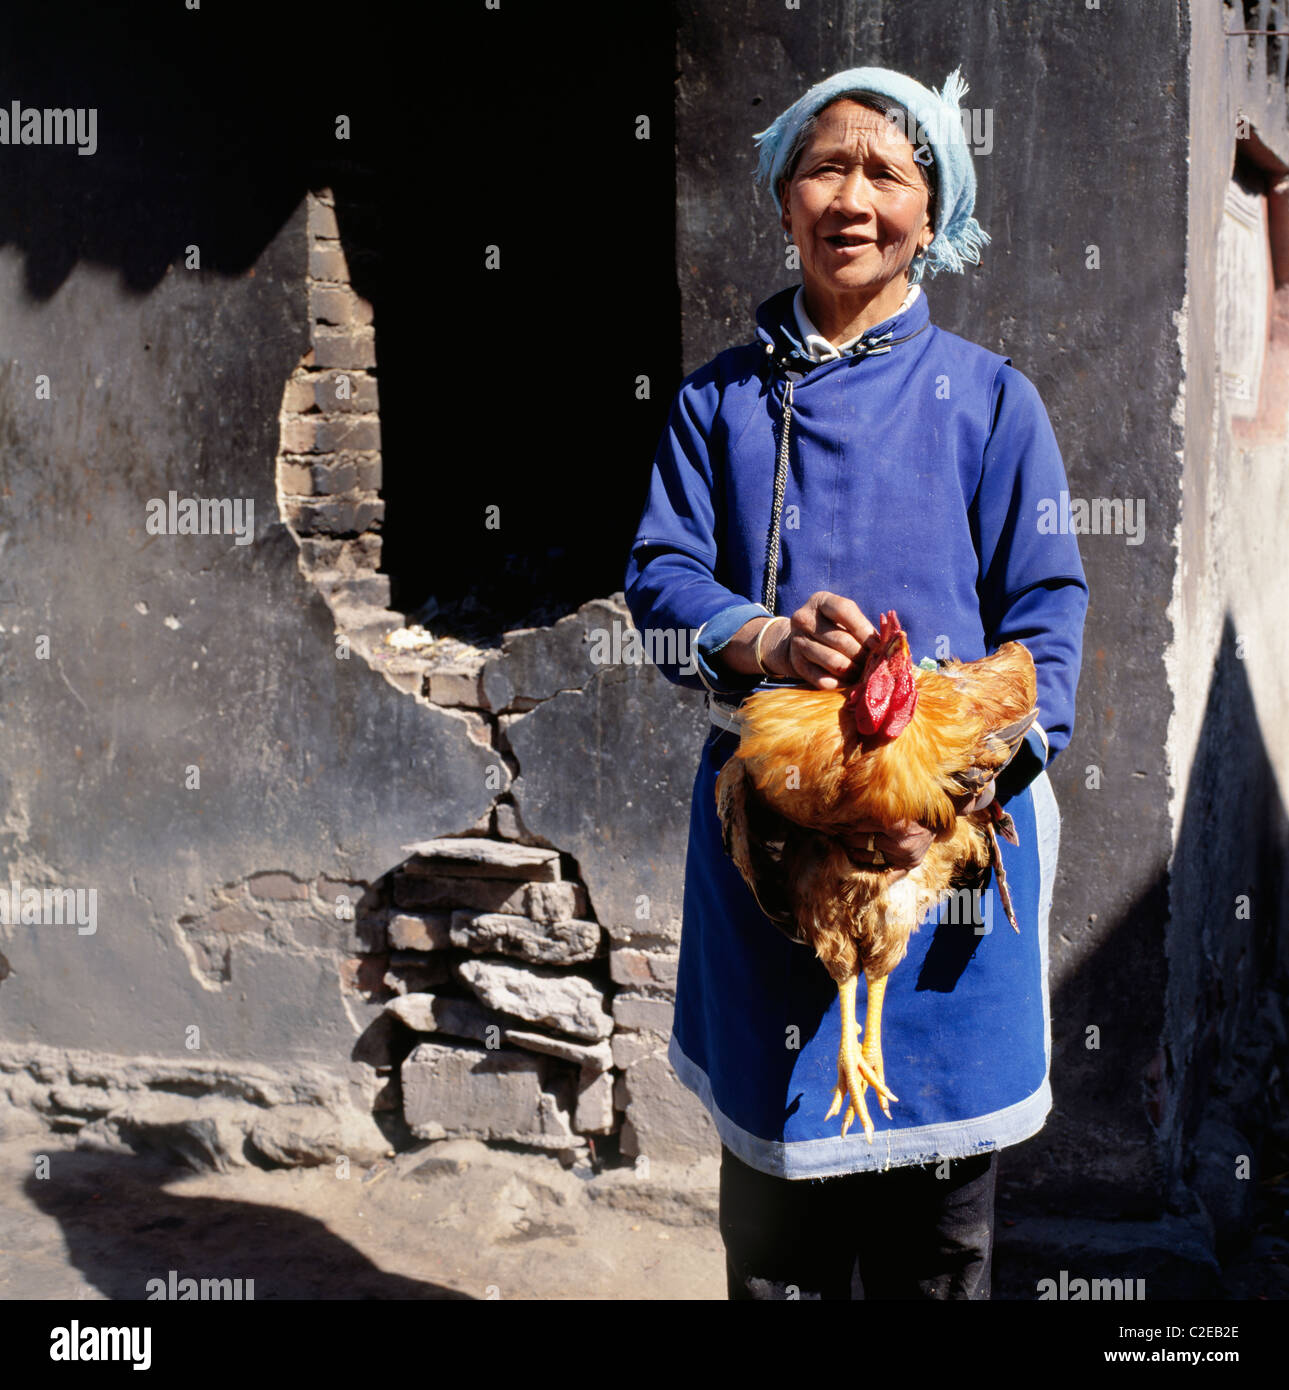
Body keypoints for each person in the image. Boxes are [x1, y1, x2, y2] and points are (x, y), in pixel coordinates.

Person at [623, 64, 1089, 1300]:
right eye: (824, 167)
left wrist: (977, 762)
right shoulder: (715, 402)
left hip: (945, 843)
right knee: (777, 1237)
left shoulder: (993, 404)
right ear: (782, 203)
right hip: (766, 839)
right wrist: (763, 640)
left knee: (939, 1236)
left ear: (929, 220)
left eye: (887, 173)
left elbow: (1046, 613)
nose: (852, 197)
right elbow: (658, 576)